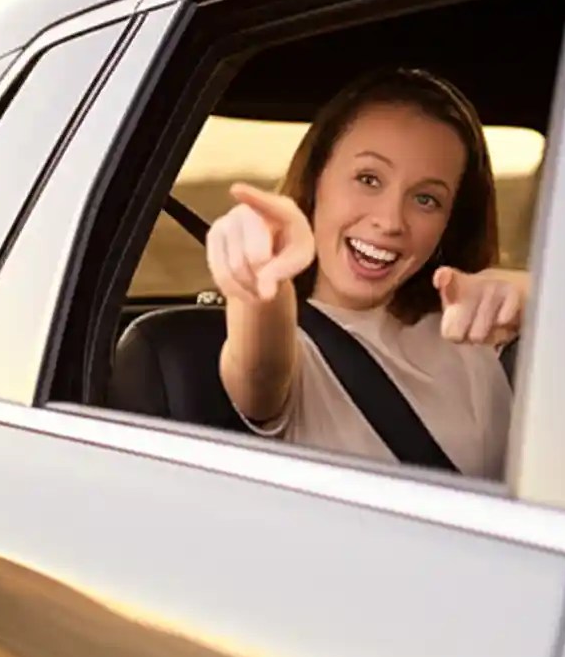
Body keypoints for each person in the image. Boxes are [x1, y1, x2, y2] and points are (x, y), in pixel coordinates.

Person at [205, 68, 528, 481]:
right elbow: (259, 371)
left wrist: (530, 295)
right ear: (316, 179)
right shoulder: (288, 349)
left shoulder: (476, 330)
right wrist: (261, 276)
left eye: (426, 199)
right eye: (368, 179)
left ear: (450, 223)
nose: (391, 220)